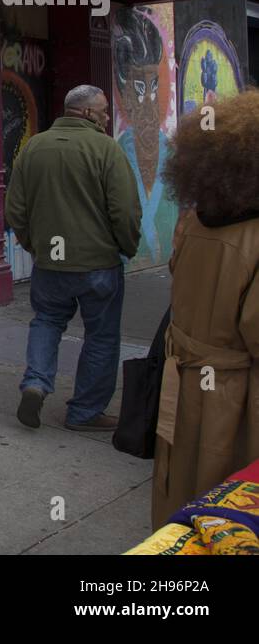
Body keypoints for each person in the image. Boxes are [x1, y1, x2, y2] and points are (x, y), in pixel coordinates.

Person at [6, 84, 141, 432]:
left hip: (50, 262)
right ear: (86, 113)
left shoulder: (34, 147)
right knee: (102, 336)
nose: (108, 116)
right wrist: (127, 246)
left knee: (47, 321)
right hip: (98, 263)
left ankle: (35, 384)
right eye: (104, 110)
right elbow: (124, 211)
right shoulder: (106, 150)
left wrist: (34, 245)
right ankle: (84, 412)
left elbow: (15, 208)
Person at [152, 88, 259, 525]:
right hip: (236, 399)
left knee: (179, 491)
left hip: (183, 383)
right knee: (227, 507)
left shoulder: (194, 221)